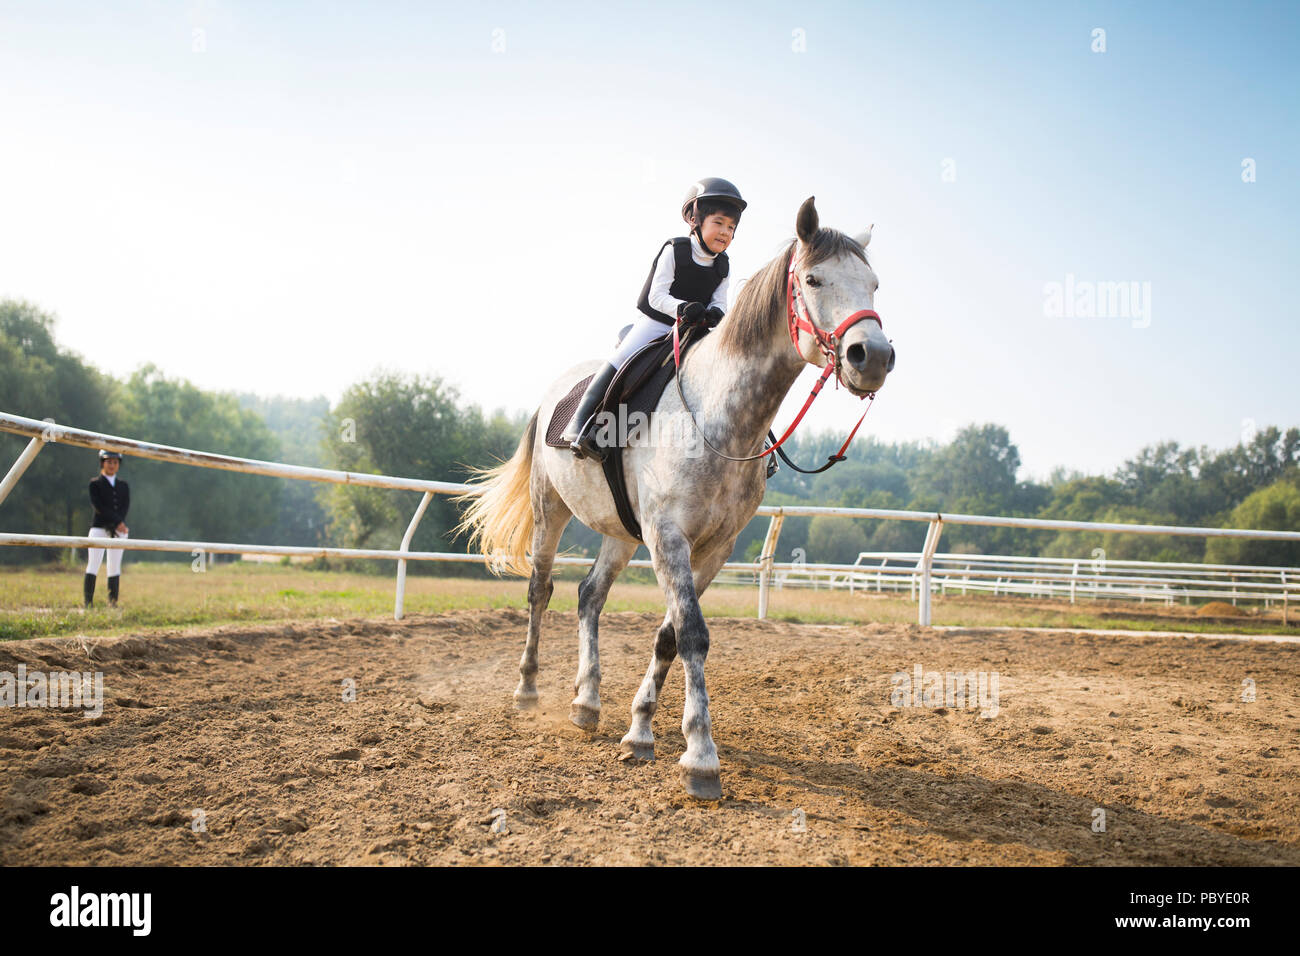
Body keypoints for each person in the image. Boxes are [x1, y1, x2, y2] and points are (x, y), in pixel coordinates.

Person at [562, 177, 747, 461]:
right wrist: (683, 308)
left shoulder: (723, 264)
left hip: (694, 331)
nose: (725, 232)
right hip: (656, 324)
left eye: (731, 228)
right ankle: (579, 423)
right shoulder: (676, 249)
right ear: (695, 220)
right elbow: (655, 296)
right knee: (623, 356)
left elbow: (720, 301)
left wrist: (716, 313)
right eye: (719, 223)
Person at [85, 449, 130, 608]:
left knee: (114, 565)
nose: (112, 465)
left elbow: (124, 507)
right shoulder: (95, 484)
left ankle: (113, 603)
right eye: (109, 461)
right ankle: (88, 604)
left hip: (118, 530)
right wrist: (117, 521)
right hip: (99, 527)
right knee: (93, 564)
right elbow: (99, 506)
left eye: (115, 462)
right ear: (102, 463)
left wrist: (119, 524)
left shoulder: (123, 486)